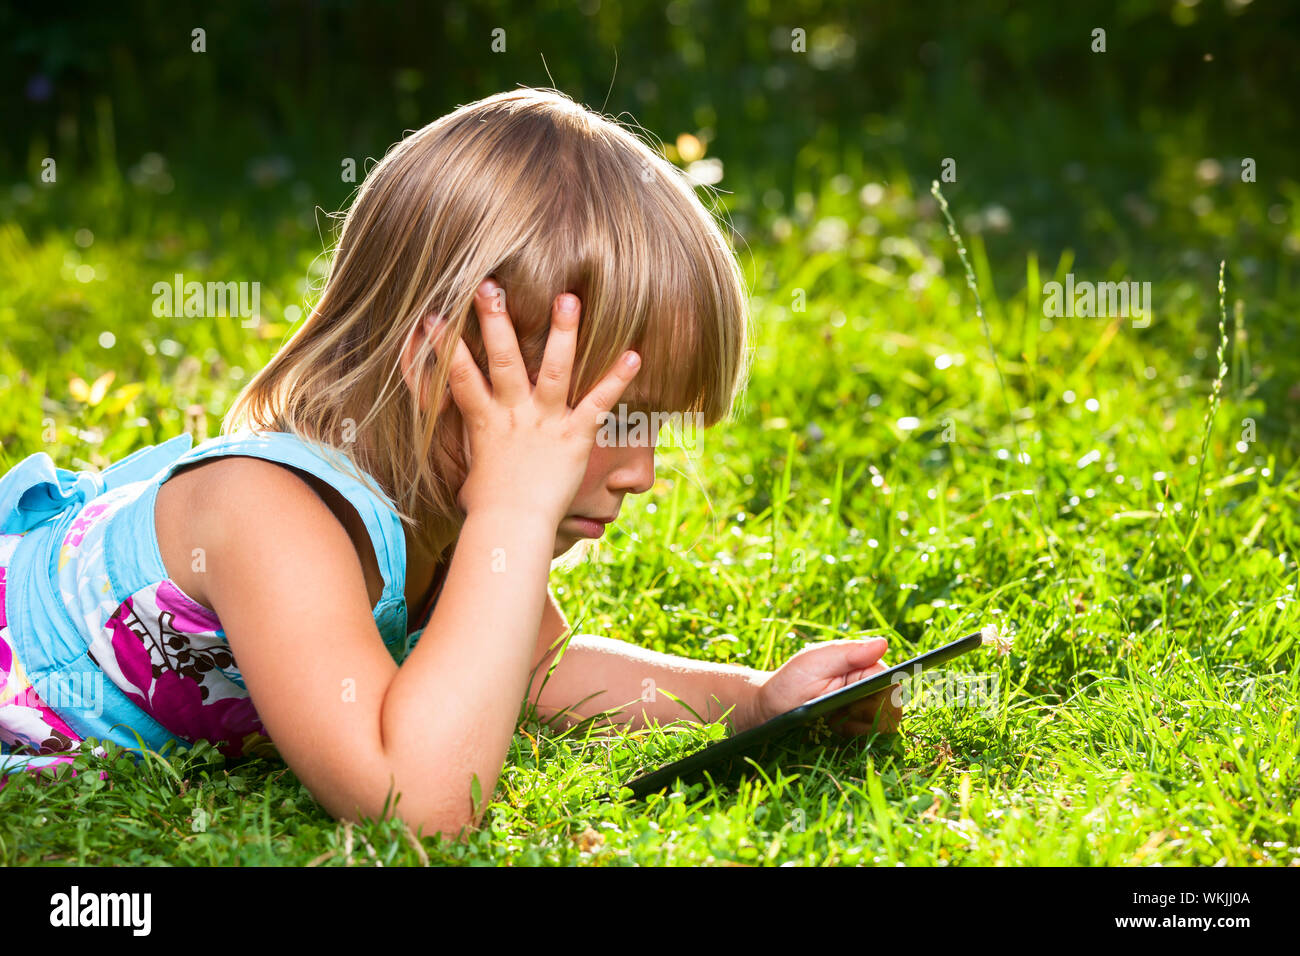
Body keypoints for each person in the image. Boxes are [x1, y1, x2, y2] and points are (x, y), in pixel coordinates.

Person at [0, 88, 900, 835]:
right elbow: (412, 807)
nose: (643, 473)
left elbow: (545, 668)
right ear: (445, 372)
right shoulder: (269, 509)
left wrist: (752, 702)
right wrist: (514, 506)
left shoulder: (442, 516)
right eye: (611, 421)